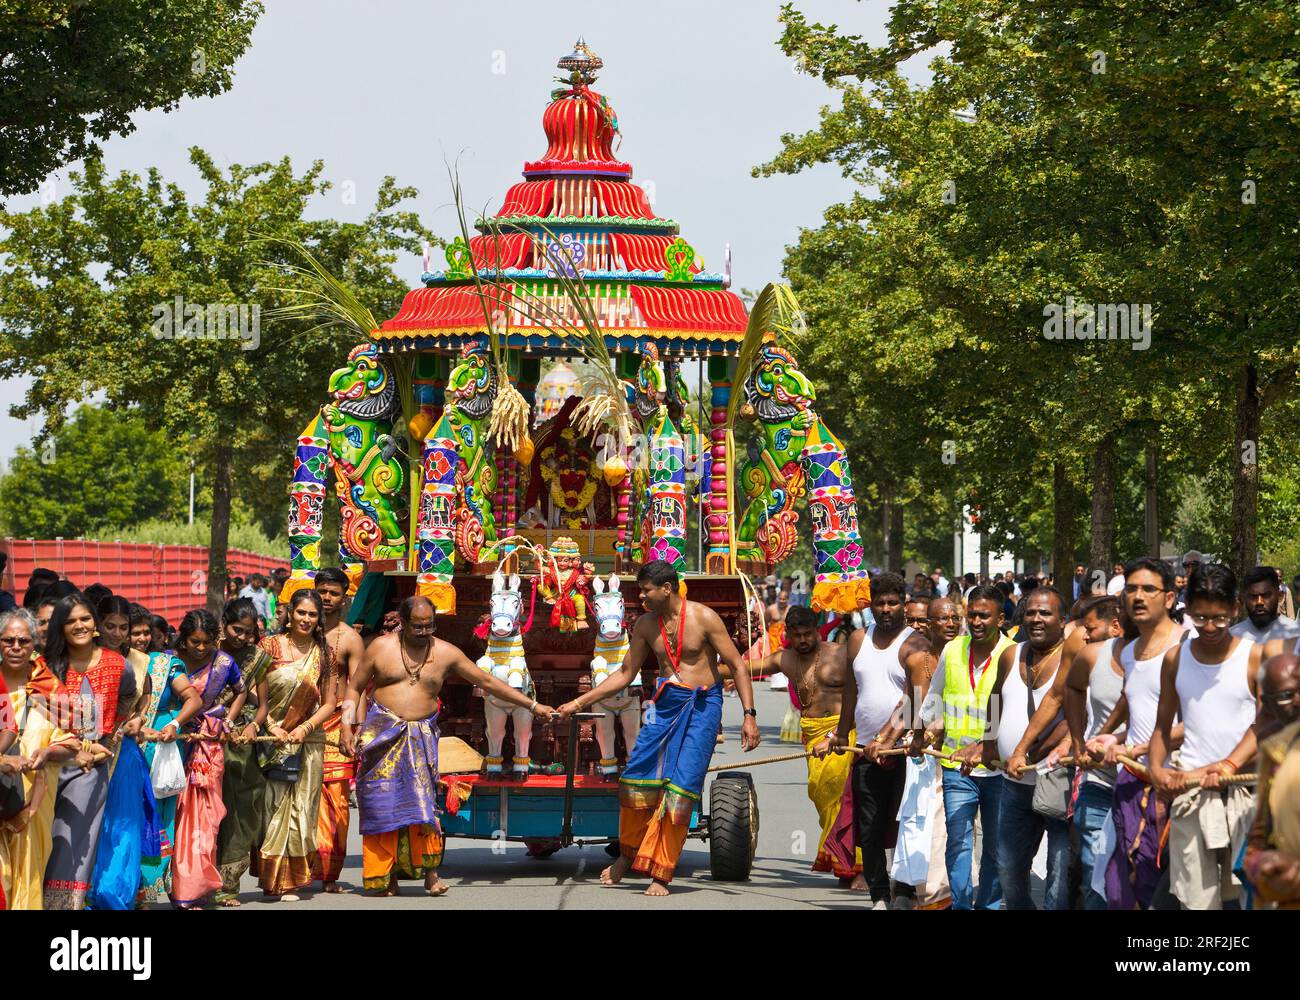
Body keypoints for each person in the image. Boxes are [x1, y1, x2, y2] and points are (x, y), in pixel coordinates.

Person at [558, 560, 760, 896]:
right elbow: (625, 672)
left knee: (680, 789)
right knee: (636, 779)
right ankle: (627, 855)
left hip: (702, 707)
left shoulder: (704, 617)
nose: (641, 596)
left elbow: (737, 665)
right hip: (662, 706)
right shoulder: (644, 624)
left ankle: (661, 872)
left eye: (646, 589)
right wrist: (579, 703)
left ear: (667, 588)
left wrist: (749, 715)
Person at [341, 595, 555, 897]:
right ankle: (384, 876)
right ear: (402, 623)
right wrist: (347, 726)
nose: (424, 631)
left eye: (429, 625)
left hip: (421, 740)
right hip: (380, 738)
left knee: (423, 805)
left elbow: (487, 680)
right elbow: (354, 686)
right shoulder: (380, 647)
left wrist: (532, 705)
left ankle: (431, 874)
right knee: (381, 807)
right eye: (417, 626)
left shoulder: (445, 653)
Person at [1149, 563, 1262, 910]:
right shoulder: (1175, 659)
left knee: (1248, 898)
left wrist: (1229, 763)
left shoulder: (1254, 657)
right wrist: (1156, 770)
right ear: (1187, 611)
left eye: (1219, 618)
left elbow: (1268, 723)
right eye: (1199, 618)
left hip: (1247, 793)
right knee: (1195, 900)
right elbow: (1162, 727)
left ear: (1234, 609)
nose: (1209, 627)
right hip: (1191, 795)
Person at [821, 573, 931, 907]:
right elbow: (852, 690)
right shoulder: (857, 639)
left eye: (893, 603)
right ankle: (879, 895)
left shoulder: (917, 645)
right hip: (865, 750)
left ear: (904, 604)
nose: (885, 609)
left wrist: (886, 738)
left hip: (905, 751)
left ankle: (906, 892)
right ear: (871, 605)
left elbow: (914, 702)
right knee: (868, 828)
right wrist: (841, 732)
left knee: (904, 824)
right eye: (880, 603)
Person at [959, 588, 1070, 909]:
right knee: (1008, 870)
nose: (1037, 619)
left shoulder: (1073, 658)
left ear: (1062, 622)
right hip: (1015, 785)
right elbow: (995, 699)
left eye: (1046, 613)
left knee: (1058, 880)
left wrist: (1039, 752)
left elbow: (1078, 715)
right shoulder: (1012, 654)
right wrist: (989, 745)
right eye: (1032, 612)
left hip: (1059, 784)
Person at [919, 585, 1016, 909]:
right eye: (971, 614)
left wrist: (986, 747)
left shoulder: (1014, 654)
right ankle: (961, 905)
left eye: (983, 615)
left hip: (998, 769)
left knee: (996, 846)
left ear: (1000, 618)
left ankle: (988, 905)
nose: (975, 621)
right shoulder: (953, 650)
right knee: (957, 841)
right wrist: (920, 734)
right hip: (954, 767)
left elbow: (1017, 712)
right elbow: (934, 698)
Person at [41, 593, 140, 909]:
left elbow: (129, 695)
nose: (79, 625)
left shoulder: (116, 664)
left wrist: (110, 737)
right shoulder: (46, 664)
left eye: (84, 618)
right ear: (61, 627)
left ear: (94, 624)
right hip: (46, 763)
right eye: (70, 621)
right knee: (40, 840)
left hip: (89, 769)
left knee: (70, 843)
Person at [750, 605, 862, 884]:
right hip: (812, 737)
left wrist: (840, 730)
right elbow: (740, 668)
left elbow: (863, 691)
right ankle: (843, 859)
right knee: (821, 794)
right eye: (797, 635)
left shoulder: (841, 654)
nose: (803, 640)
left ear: (818, 631)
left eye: (808, 634)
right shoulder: (783, 660)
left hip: (843, 734)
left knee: (842, 795)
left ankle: (857, 868)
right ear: (787, 633)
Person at [255, 589, 338, 900]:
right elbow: (252, 691)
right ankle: (271, 879)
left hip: (308, 740)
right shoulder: (269, 646)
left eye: (312, 615)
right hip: (270, 737)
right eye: (301, 612)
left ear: (319, 620)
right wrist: (271, 725)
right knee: (271, 807)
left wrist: (304, 727)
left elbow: (330, 702)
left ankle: (290, 880)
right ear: (289, 613)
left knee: (303, 806)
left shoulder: (324, 653)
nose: (306, 619)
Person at [0, 610, 79, 909]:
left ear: (35, 643)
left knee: (30, 870)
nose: (16, 646)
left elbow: (71, 741)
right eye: (8, 640)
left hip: (35, 799)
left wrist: (47, 753)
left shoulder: (49, 688)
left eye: (24, 640)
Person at [169, 609, 247, 909]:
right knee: (169, 817)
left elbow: (241, 691)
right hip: (171, 742)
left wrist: (229, 720)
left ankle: (191, 889)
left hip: (207, 747)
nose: (201, 649)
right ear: (183, 639)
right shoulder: (168, 661)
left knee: (201, 820)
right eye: (195, 642)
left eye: (207, 643)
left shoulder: (224, 663)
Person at [1061, 595, 1126, 909]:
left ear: (1115, 625)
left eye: (1090, 627)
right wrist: (1077, 742)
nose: (1084, 635)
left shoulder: (1161, 658)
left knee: (1133, 875)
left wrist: (1118, 741)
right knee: (1092, 874)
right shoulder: (1089, 656)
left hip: (1140, 783)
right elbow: (1069, 690)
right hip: (1097, 781)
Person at [214, 598, 272, 906]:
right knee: (207, 812)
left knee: (240, 810)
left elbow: (262, 705)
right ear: (224, 623)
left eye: (248, 633)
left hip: (241, 743)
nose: (242, 638)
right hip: (206, 737)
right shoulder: (206, 650)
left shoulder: (257, 658)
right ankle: (196, 881)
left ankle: (228, 884)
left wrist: (252, 727)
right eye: (237, 630)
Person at [136, 632, 201, 905]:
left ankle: (148, 887)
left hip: (159, 748)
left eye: (142, 631)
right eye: (134, 631)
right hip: (122, 748)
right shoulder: (109, 660)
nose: (138, 637)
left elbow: (194, 699)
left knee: (158, 818)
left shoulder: (163, 665)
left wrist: (174, 724)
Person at [311, 567, 365, 892]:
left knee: (336, 803)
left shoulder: (350, 639)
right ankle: (301, 870)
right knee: (299, 797)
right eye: (322, 591)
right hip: (300, 726)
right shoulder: (299, 631)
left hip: (335, 728)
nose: (327, 598)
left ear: (345, 597)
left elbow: (356, 690)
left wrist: (351, 730)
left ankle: (330, 874)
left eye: (334, 593)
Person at [1242, 654, 1300, 907]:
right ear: (1268, 704)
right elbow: (1258, 840)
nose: (1298, 701)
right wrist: (1263, 867)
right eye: (1286, 696)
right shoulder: (1276, 752)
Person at [1230, 565, 1300, 645]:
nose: (1259, 602)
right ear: (1243, 598)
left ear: (1280, 596)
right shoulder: (1230, 638)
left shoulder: (1296, 633)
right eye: (1253, 596)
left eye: (1266, 595)